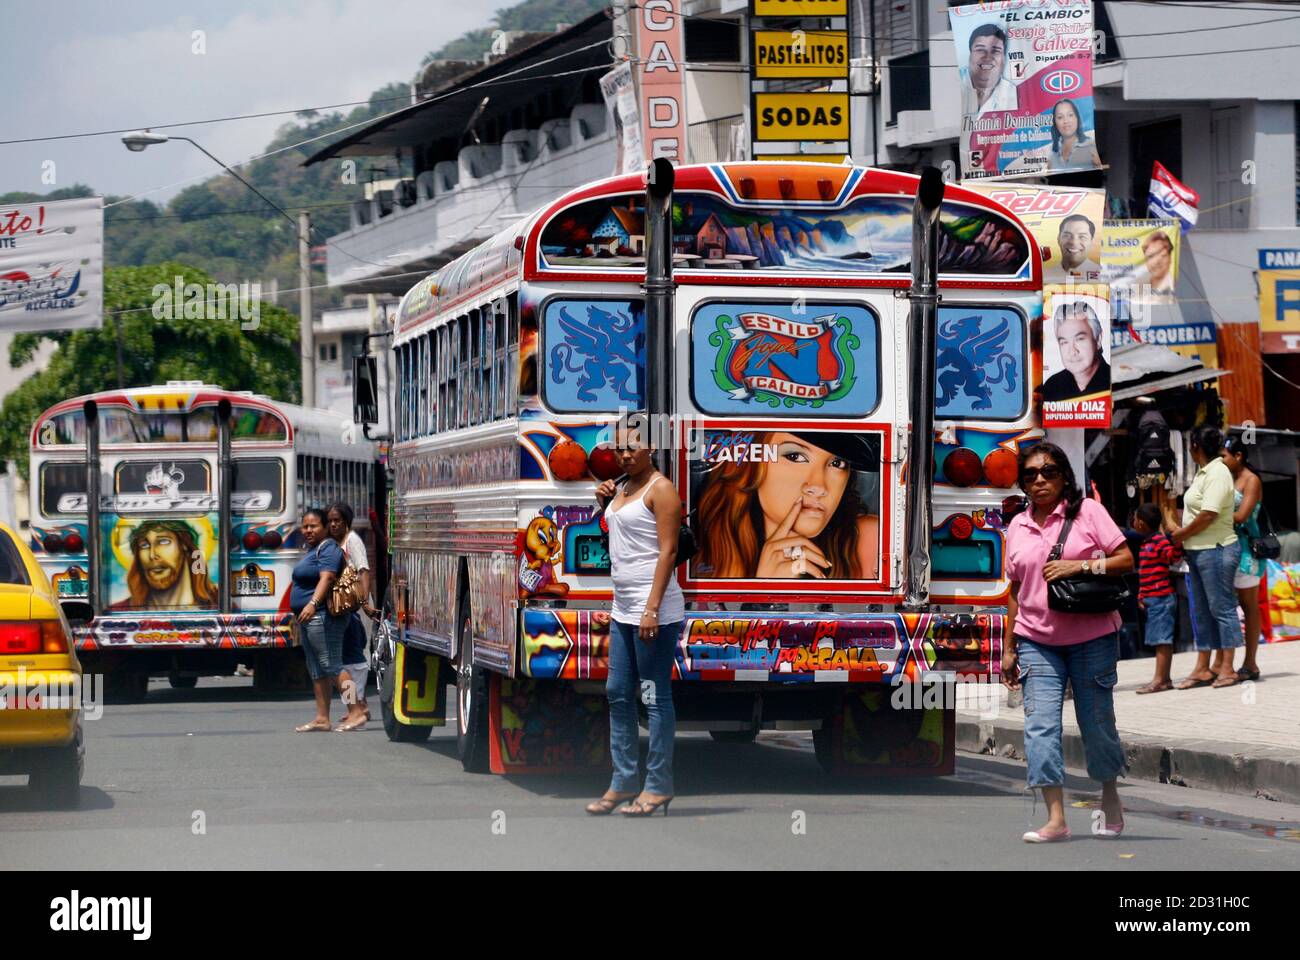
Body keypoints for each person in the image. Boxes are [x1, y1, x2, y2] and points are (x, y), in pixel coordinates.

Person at [1002, 442, 1134, 842]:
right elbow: (1015, 588)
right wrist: (1008, 648)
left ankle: (1109, 793)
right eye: (1030, 475)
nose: (1040, 480)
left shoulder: (1088, 512)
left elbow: (1126, 559)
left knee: (1096, 724)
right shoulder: (1017, 525)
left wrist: (1081, 564)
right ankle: (1055, 819)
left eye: (1049, 472)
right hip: (1035, 640)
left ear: (1064, 477)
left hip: (1091, 636)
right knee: (1040, 726)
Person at [585, 424, 684, 817]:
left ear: (652, 447)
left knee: (654, 696)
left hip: (652, 608)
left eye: (633, 448)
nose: (625, 455)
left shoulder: (661, 489)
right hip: (623, 607)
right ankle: (623, 781)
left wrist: (652, 608)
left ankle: (657, 785)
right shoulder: (622, 487)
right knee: (617, 693)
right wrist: (600, 506)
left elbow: (668, 551)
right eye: (620, 449)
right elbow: (616, 539)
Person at [693, 432, 880, 580]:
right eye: (795, 456)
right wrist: (765, 591)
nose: (818, 487)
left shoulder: (866, 540)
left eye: (837, 463)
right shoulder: (705, 548)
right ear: (751, 466)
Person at [1160, 425, 1242, 688]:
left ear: (1195, 446)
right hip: (1197, 551)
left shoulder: (1218, 472)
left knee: (1222, 609)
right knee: (1202, 612)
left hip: (1217, 548)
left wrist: (1181, 533)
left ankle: (1228, 668)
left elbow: (1209, 514)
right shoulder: (1203, 473)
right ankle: (1204, 667)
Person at [291, 507, 354, 732]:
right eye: (305, 526)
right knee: (317, 668)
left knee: (332, 665)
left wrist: (312, 604)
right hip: (308, 618)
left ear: (326, 527)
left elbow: (326, 578)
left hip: (322, 616)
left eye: (313, 526)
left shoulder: (328, 549)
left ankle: (356, 710)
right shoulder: (313, 550)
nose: (308, 530)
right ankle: (322, 718)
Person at [328, 503, 378, 731]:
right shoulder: (335, 544)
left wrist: (364, 602)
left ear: (346, 521)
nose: (333, 524)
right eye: (330, 521)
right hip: (344, 606)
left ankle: (359, 707)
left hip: (357, 605)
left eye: (337, 520)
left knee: (355, 659)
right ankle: (357, 707)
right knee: (346, 658)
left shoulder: (352, 541)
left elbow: (363, 571)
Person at [1222, 436, 1264, 682]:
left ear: (1238, 456)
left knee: (1249, 608)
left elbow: (1242, 516)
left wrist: (1209, 517)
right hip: (1227, 547)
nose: (1221, 460)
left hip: (1247, 550)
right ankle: (1224, 663)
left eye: (1224, 455)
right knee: (1227, 607)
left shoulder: (1251, 480)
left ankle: (1250, 662)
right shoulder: (1227, 479)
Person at [114, 519, 219, 609]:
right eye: (144, 545)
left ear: (184, 545)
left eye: (163, 541)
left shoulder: (216, 603)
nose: (152, 554)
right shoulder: (120, 610)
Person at [1132, 503, 1181, 695]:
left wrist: (1177, 539)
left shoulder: (1159, 541)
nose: (1133, 522)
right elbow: (1145, 574)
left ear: (1142, 523)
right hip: (1153, 597)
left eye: (1135, 519)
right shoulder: (1146, 542)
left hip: (1162, 597)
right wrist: (1142, 594)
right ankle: (1164, 679)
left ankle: (1160, 680)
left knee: (1162, 640)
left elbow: (1172, 557)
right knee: (1159, 639)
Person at [1039, 302, 1111, 403]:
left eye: (1080, 339)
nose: (1072, 351)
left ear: (1098, 339)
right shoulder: (1052, 387)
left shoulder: (1113, 383)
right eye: (1064, 342)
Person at [962, 23, 1019, 117]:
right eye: (980, 50)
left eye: (996, 51)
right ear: (970, 55)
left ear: (1004, 59)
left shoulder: (1011, 92)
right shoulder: (957, 83)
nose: (987, 57)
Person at [1045, 99, 1101, 172]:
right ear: (1055, 123)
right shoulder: (1051, 153)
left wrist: (1098, 165)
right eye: (1060, 117)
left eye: (1070, 115)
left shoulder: (1091, 146)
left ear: (1077, 118)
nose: (1066, 121)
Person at [1056, 214, 1101, 280]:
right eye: (1067, 235)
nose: (1074, 242)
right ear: (1058, 239)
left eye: (1082, 237)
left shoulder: (1103, 275)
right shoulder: (1045, 274)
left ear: (1092, 241)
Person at [1142, 230, 1176, 297]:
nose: (1156, 262)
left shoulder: (1176, 286)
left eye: (1162, 255)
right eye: (1151, 256)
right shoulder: (1138, 286)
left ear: (1170, 258)